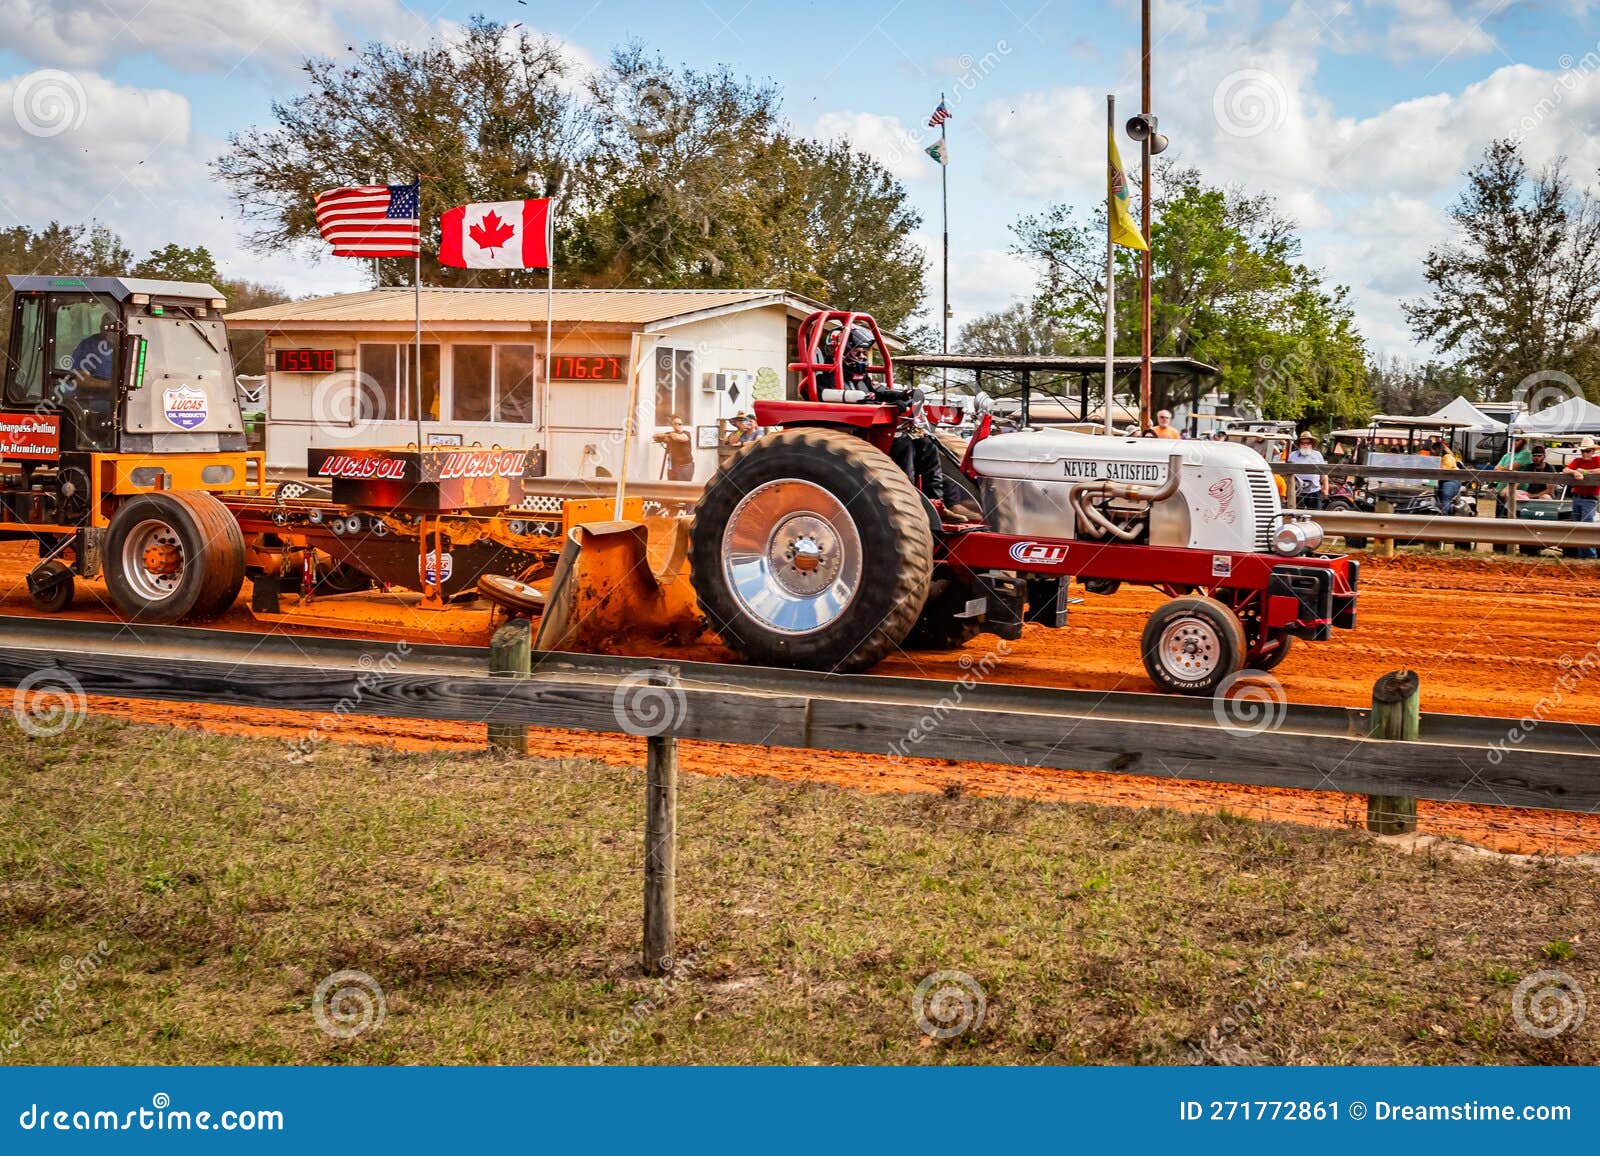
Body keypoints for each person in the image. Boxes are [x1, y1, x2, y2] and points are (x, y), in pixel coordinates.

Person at [1563, 435, 1600, 560]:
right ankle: (1582, 556)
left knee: (1587, 527)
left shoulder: (1597, 460)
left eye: (1587, 451)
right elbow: (1565, 470)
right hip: (1577, 497)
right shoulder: (1577, 461)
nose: (1585, 454)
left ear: (1593, 451)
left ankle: (1590, 556)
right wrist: (1574, 472)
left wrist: (1583, 471)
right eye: (1583, 451)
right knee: (1577, 528)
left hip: (1590, 498)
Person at [1287, 431, 1329, 510]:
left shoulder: (1317, 455)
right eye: (1303, 443)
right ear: (1299, 444)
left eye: (1308, 443)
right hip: (1297, 491)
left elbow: (1324, 473)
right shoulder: (1292, 455)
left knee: (1316, 515)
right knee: (1296, 515)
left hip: (1314, 490)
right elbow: (1286, 473)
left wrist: (1326, 489)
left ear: (1311, 444)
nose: (1305, 445)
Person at [653, 414, 695, 481]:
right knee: (672, 488)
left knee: (683, 488)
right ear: (672, 425)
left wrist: (669, 435)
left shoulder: (686, 433)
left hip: (685, 467)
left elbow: (678, 437)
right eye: (675, 424)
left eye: (680, 424)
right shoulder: (670, 434)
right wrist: (667, 436)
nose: (678, 425)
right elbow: (655, 437)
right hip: (672, 467)